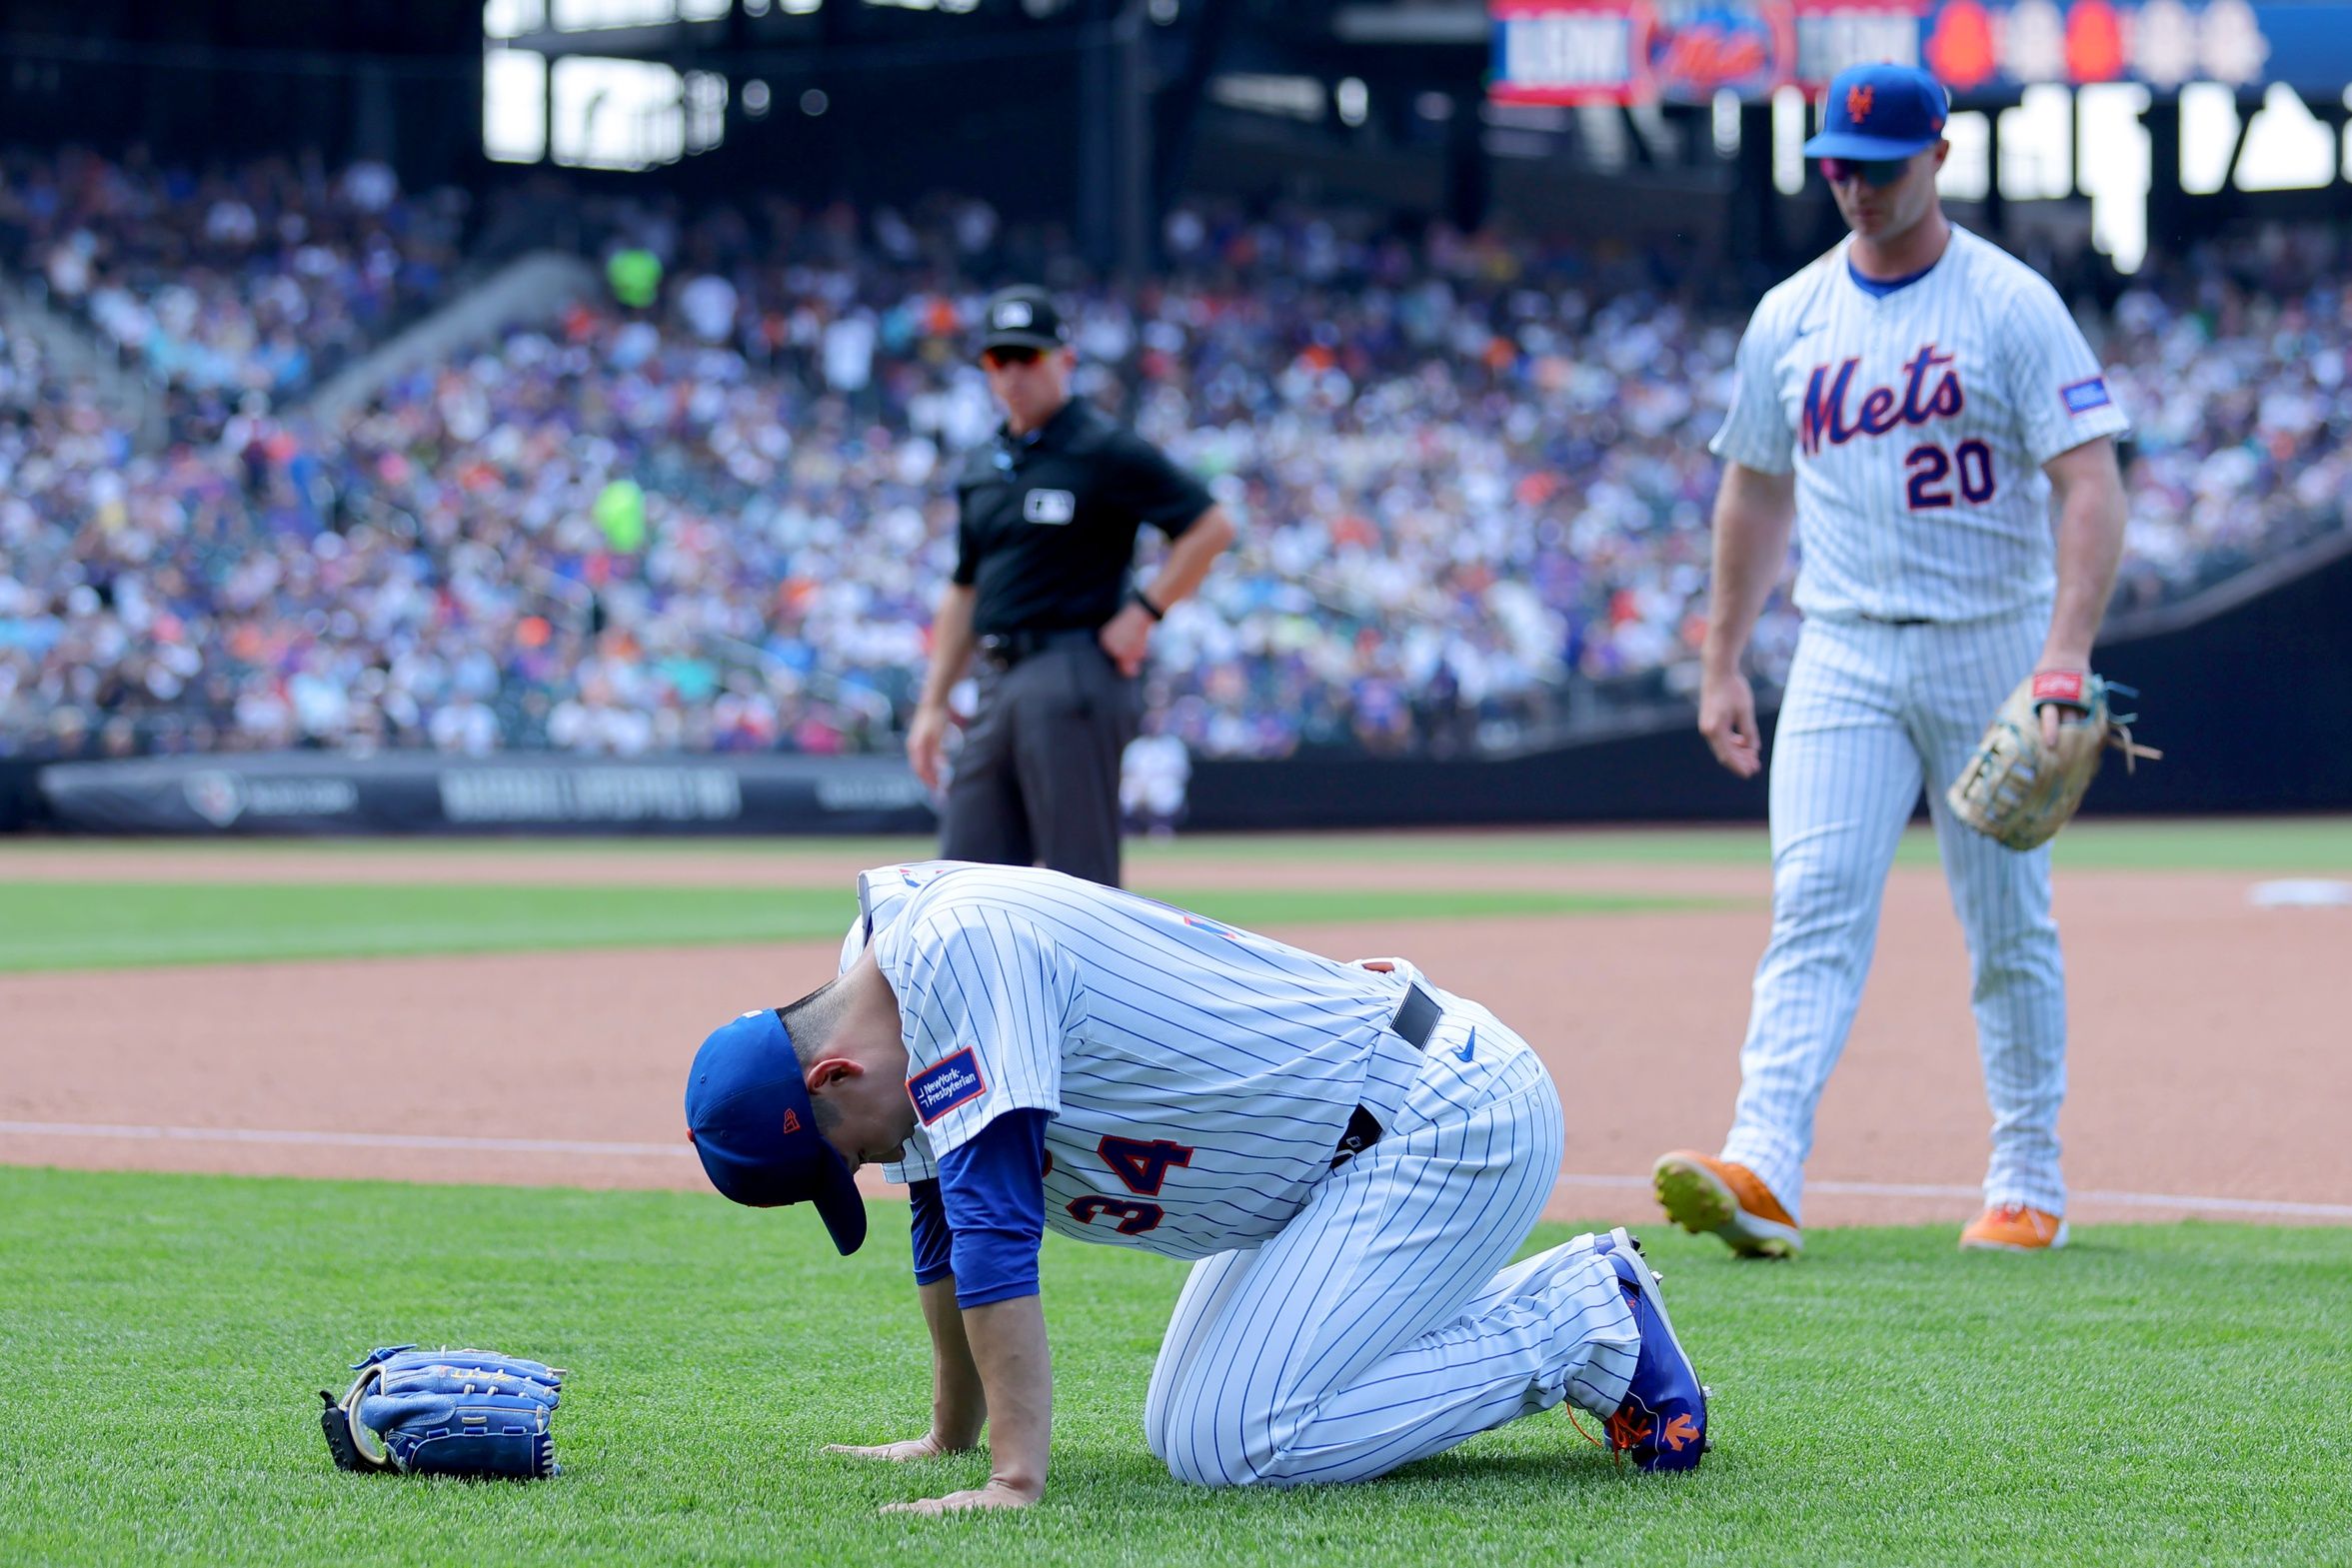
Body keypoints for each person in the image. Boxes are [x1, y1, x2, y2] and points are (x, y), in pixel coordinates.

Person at [684, 861, 1711, 1512]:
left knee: (1242, 1441)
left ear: (831, 1075)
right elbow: (942, 1219)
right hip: (1323, 1163)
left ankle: (1579, 1320)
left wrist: (1012, 1480)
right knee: (1189, 1435)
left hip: (1437, 1120)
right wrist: (951, 1435)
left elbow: (994, 1223)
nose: (862, 1167)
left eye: (841, 1156)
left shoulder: (959, 949)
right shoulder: (878, 1000)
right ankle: (1547, 1310)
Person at [1655, 64, 2132, 1257]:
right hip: (1843, 648)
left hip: (1989, 645)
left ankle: (2026, 1180)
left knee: (2007, 926)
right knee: (1811, 906)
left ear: (1939, 158)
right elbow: (1752, 492)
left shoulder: (2009, 304)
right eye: (1837, 166)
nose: (1854, 186)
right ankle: (1763, 1167)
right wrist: (1723, 660)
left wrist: (2062, 656)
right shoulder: (1790, 313)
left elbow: (2089, 483)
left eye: (1879, 166)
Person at [905, 286, 1235, 888]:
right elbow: (964, 589)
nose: (1013, 373)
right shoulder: (984, 464)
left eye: (1028, 357)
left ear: (1065, 360)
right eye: (999, 359)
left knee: (1079, 885)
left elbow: (1210, 527)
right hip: (995, 678)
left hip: (1072, 669)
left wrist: (1143, 610)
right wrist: (932, 705)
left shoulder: (1102, 449)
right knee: (961, 884)